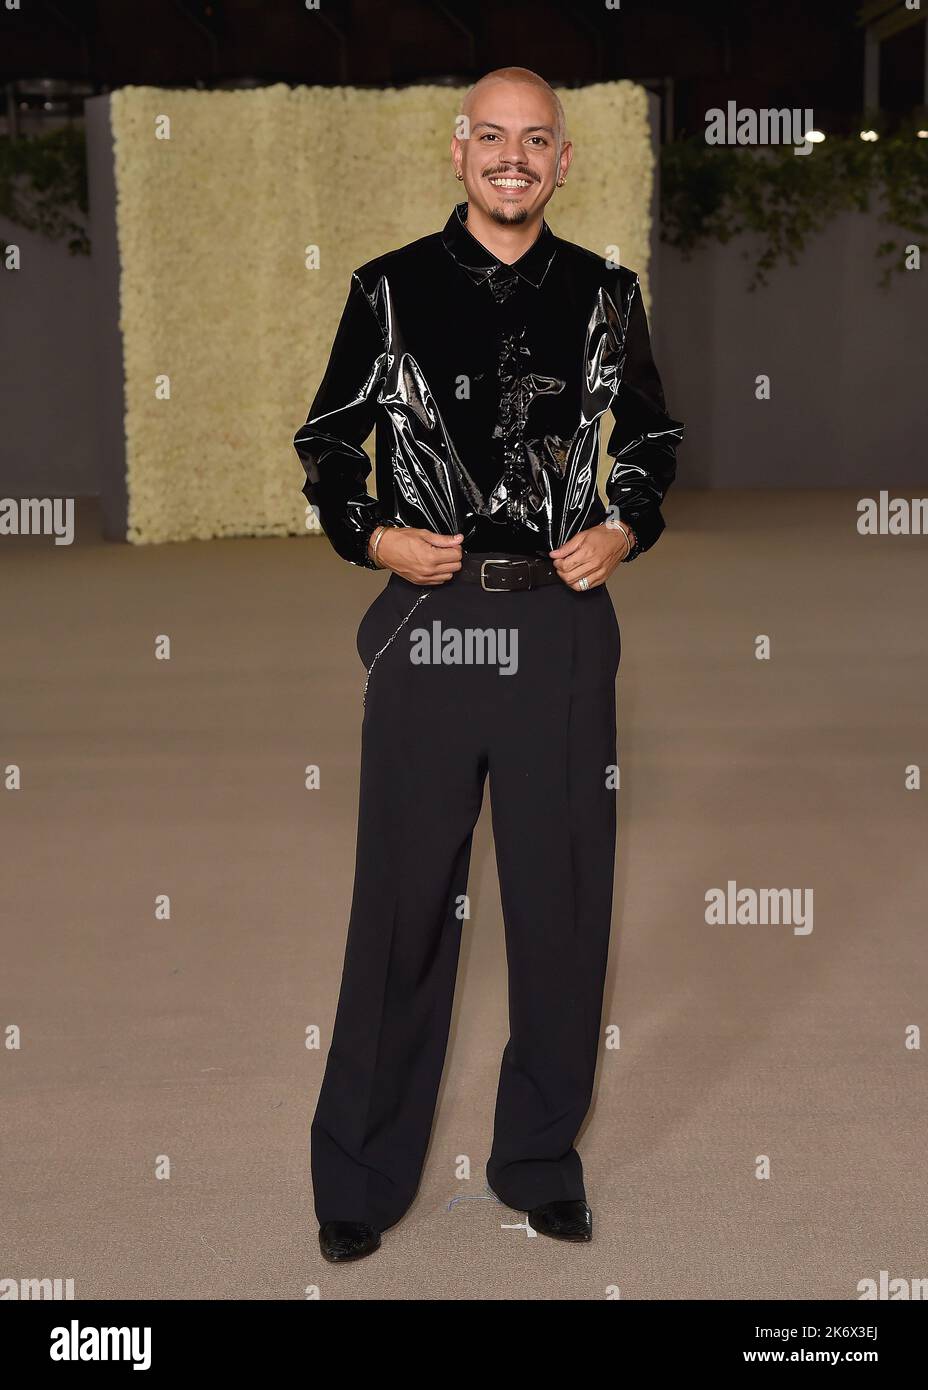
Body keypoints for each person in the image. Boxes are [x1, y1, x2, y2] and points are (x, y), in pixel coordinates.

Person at [293, 66, 684, 1264]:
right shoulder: (390, 289)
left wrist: (624, 523)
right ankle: (359, 1175)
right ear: (457, 151)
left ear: (564, 161)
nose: (513, 157)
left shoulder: (608, 295)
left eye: (537, 140)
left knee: (561, 905)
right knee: (404, 902)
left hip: (561, 627)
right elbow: (326, 439)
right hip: (430, 623)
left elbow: (654, 439)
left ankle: (537, 1158)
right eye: (492, 138)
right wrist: (370, 534)